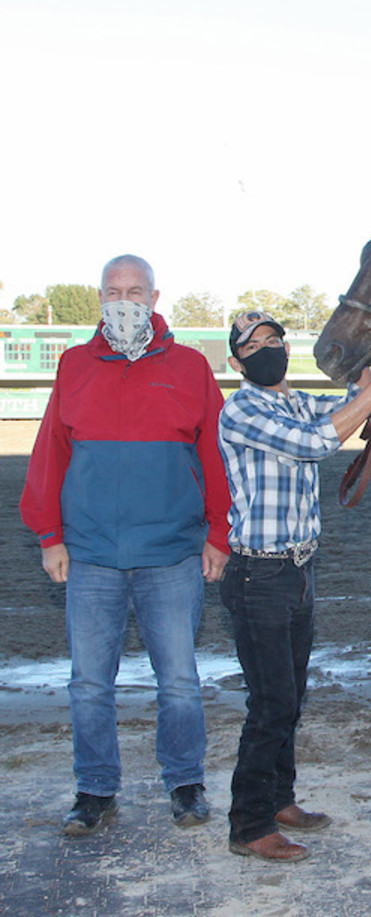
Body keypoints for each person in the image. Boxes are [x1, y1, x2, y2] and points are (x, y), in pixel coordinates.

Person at [19, 254, 231, 837]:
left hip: (172, 554)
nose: (124, 300)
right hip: (89, 555)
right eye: (113, 290)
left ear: (155, 299)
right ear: (99, 299)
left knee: (180, 681)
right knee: (89, 683)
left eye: (135, 290)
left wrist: (219, 533)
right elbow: (51, 456)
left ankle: (186, 784)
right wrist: (49, 536)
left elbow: (214, 455)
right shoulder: (74, 366)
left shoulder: (189, 367)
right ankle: (95, 790)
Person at [218, 310, 371, 863]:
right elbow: (315, 443)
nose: (268, 349)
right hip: (259, 574)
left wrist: (368, 374)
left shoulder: (295, 399)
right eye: (254, 345)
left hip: (298, 570)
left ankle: (279, 798)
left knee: (290, 697)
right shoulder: (240, 409)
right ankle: (249, 823)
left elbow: (347, 411)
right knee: (272, 703)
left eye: (274, 339)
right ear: (236, 362)